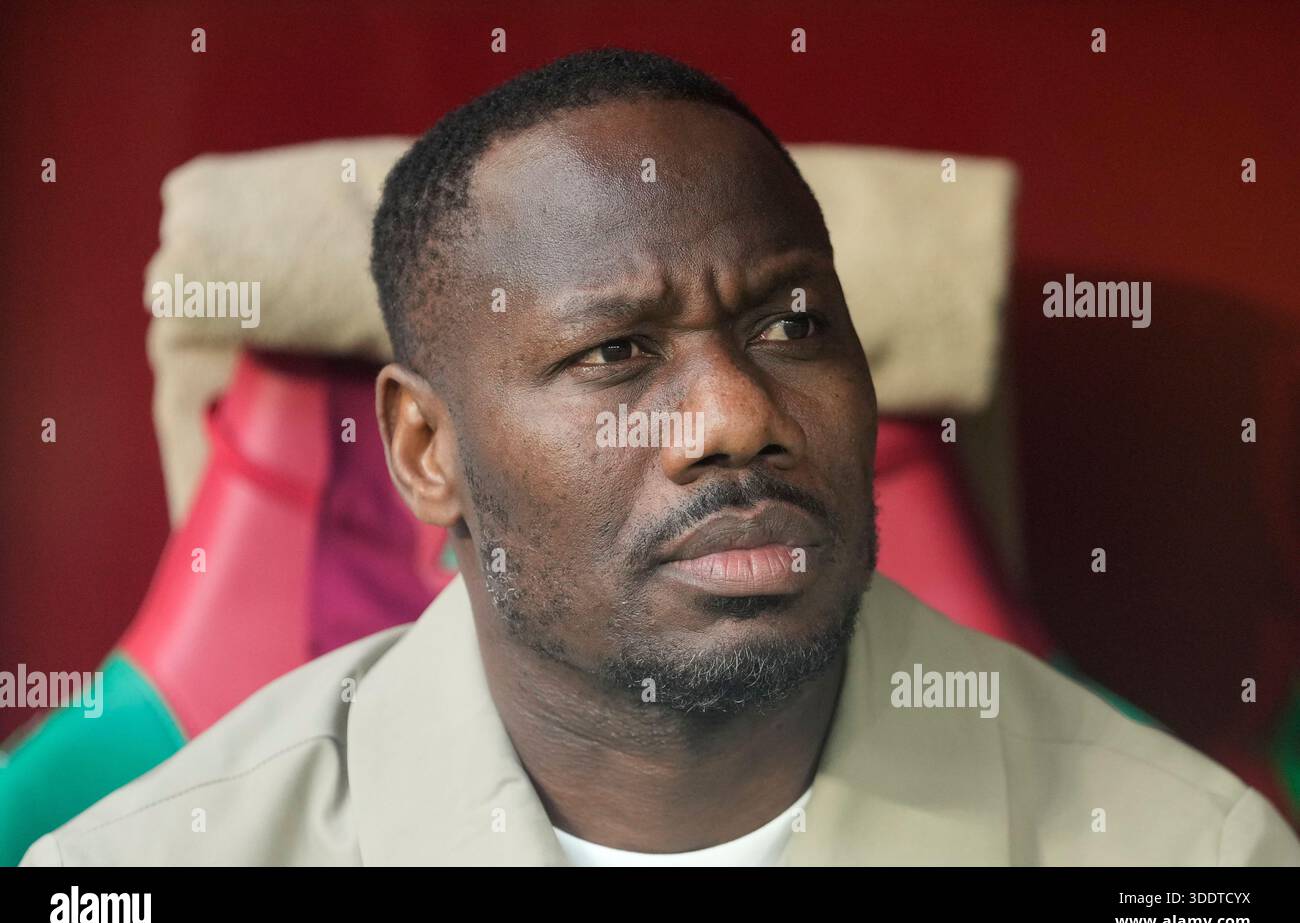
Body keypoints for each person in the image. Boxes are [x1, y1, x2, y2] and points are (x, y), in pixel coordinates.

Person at [22, 48, 1300, 866]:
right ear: (425, 449)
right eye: (618, 353)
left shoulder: (1184, 855)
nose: (736, 416)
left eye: (794, 324)